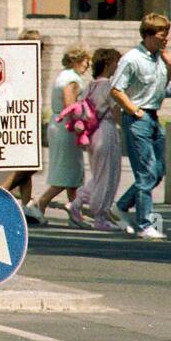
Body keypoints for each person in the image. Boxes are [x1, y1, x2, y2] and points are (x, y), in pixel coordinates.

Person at [109, 13, 171, 240]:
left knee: (158, 170)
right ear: (148, 35)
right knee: (146, 172)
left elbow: (170, 89)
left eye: (167, 34)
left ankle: (121, 206)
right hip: (138, 117)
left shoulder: (161, 58)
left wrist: (170, 67)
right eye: (162, 34)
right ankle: (144, 223)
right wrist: (134, 111)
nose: (165, 39)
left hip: (154, 116)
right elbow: (116, 89)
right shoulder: (132, 59)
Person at [34, 45, 91, 223]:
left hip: (59, 125)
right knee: (68, 171)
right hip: (67, 127)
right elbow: (70, 106)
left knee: (72, 172)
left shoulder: (63, 76)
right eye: (85, 61)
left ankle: (75, 212)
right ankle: (41, 202)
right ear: (75, 61)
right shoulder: (72, 80)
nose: (87, 65)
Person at [71, 47, 123, 231]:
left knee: (98, 173)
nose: (118, 66)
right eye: (117, 62)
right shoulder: (109, 87)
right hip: (106, 131)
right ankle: (99, 216)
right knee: (108, 176)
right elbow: (117, 113)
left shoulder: (90, 86)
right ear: (108, 64)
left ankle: (77, 203)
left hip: (91, 133)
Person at [1, 29, 43, 220]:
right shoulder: (20, 65)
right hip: (20, 118)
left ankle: (26, 207)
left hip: (31, 118)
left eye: (40, 44)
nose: (39, 48)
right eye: (35, 44)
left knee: (29, 166)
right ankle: (1, 193)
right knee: (27, 166)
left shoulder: (32, 63)